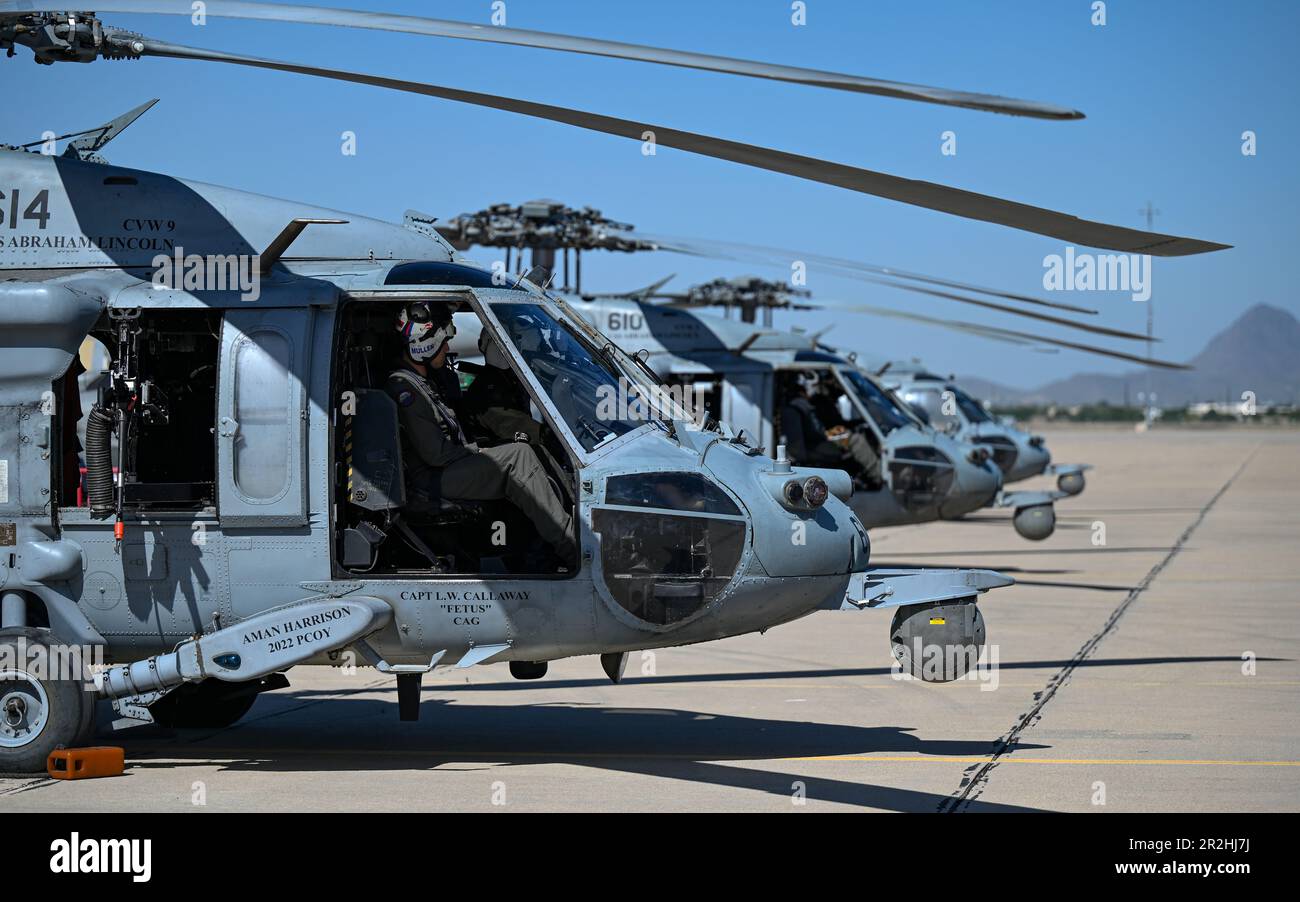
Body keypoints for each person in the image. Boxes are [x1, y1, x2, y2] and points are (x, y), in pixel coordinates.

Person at [384, 302, 576, 562]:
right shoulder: (406, 390)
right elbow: (436, 455)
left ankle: (576, 514)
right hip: (432, 478)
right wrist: (480, 450)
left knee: (531, 449)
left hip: (445, 469)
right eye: (444, 342)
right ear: (426, 345)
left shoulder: (424, 382)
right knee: (518, 457)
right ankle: (573, 549)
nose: (449, 348)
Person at [781, 371, 881, 487]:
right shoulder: (801, 405)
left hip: (817, 439)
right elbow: (817, 432)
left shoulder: (801, 403)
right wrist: (838, 433)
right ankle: (878, 477)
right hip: (817, 443)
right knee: (856, 439)